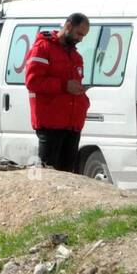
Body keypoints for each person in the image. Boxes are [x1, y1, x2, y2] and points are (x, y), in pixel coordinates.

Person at [24, 13, 90, 172]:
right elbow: (32, 81)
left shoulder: (75, 56)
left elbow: (74, 84)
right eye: (79, 33)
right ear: (68, 26)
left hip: (72, 124)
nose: (80, 39)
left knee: (67, 176)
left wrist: (83, 99)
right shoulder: (42, 49)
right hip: (50, 124)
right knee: (48, 175)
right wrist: (64, 86)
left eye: (83, 36)